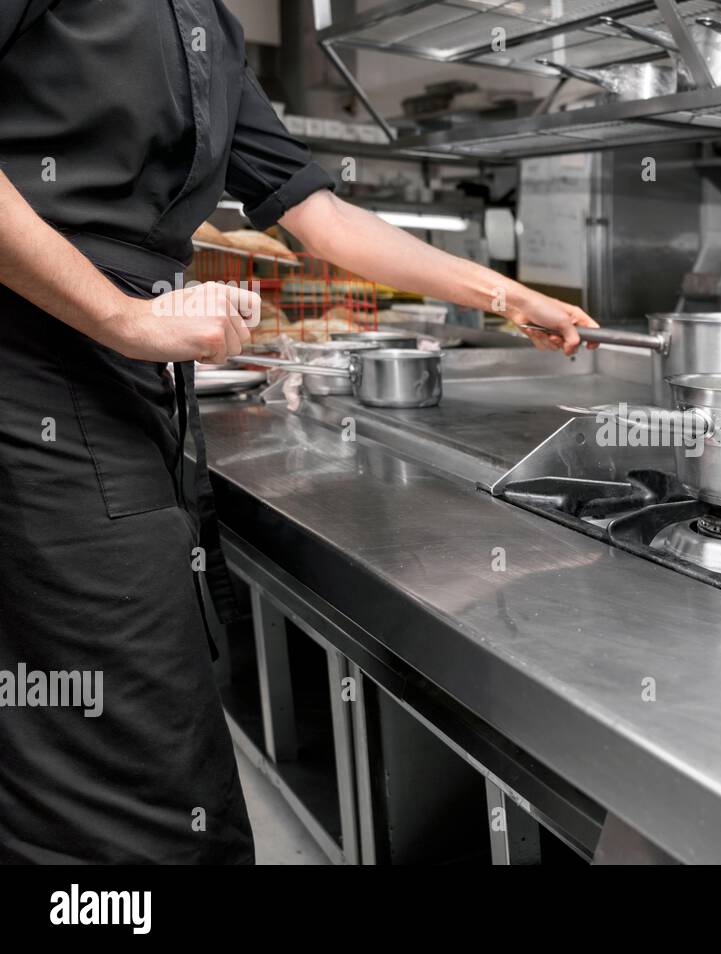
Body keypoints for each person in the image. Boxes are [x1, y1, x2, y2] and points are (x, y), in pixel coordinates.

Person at [0, 1, 595, 864]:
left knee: (157, 738)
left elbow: (320, 218)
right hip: (33, 378)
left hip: (135, 395)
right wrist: (123, 319)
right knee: (126, 799)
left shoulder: (208, 24)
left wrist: (503, 296)